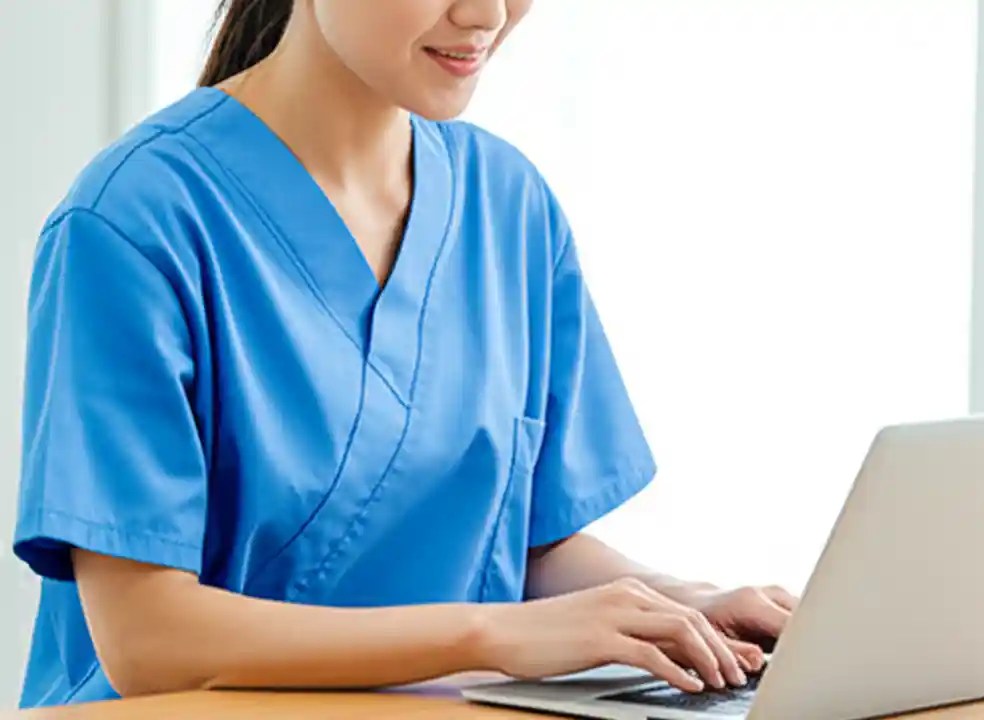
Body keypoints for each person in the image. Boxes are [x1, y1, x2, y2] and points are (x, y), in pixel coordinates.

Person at [11, 0, 799, 709]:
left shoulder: (507, 204)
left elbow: (520, 545)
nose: (487, 13)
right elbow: (148, 641)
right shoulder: (132, 222)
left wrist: (672, 603)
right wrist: (492, 636)